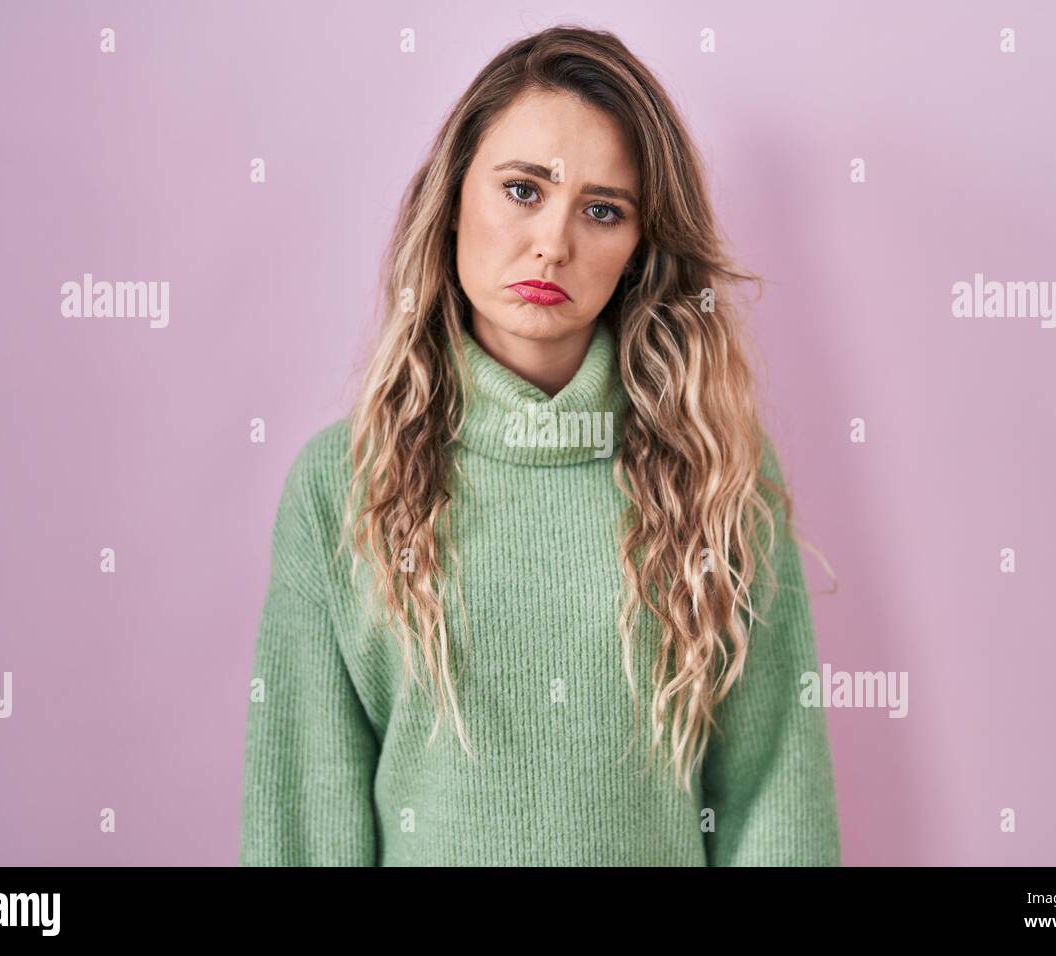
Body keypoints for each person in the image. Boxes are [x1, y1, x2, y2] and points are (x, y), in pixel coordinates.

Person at [239, 24, 841, 866]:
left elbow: (778, 807)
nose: (553, 243)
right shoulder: (340, 483)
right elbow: (302, 828)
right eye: (523, 190)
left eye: (603, 210)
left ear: (639, 249)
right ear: (453, 198)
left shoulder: (713, 474)